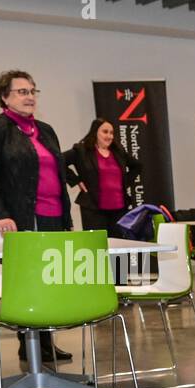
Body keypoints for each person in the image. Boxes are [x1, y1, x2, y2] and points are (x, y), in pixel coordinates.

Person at [0, 69, 73, 361]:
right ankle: (29, 343)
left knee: (49, 279)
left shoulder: (46, 130)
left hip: (52, 215)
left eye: (32, 91)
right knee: (27, 279)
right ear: (5, 97)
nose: (29, 97)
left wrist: (66, 220)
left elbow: (59, 174)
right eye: (22, 91)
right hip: (17, 218)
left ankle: (45, 341)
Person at [63, 118, 140, 283]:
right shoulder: (82, 150)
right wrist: (75, 180)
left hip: (119, 208)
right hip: (93, 208)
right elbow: (59, 162)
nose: (109, 136)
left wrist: (124, 182)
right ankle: (97, 284)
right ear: (95, 133)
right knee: (96, 247)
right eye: (105, 132)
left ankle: (120, 285)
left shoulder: (118, 151)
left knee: (118, 247)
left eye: (112, 132)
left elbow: (137, 166)